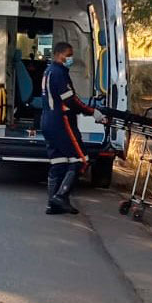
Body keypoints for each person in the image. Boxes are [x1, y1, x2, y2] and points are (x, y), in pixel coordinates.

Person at [41, 41, 103, 215]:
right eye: (69, 55)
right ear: (60, 55)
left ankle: (52, 205)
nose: (71, 58)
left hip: (47, 120)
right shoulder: (59, 73)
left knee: (58, 162)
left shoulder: (48, 71)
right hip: (62, 122)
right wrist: (92, 112)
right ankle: (60, 196)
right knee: (80, 159)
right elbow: (70, 100)